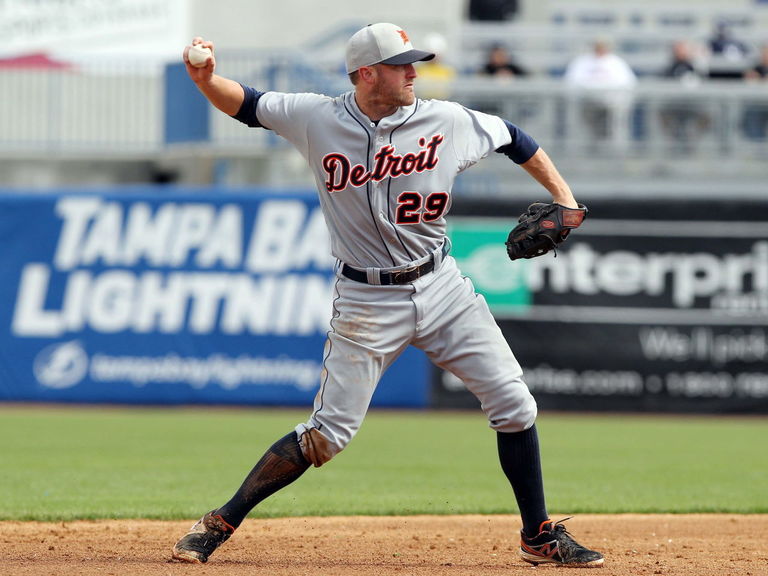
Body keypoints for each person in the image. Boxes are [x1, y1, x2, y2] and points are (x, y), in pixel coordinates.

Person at [171, 22, 604, 568]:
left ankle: (538, 535)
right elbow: (248, 103)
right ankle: (219, 522)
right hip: (366, 298)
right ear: (366, 73)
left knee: (515, 404)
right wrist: (206, 79)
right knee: (327, 436)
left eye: (414, 62)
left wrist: (564, 199)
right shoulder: (317, 118)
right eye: (402, 64)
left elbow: (515, 137)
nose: (414, 72)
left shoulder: (444, 119)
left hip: (442, 285)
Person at [563, 38, 637, 148]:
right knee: (589, 124)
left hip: (611, 105)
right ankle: (589, 145)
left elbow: (628, 83)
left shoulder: (616, 62)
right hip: (587, 103)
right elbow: (572, 81)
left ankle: (611, 146)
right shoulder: (582, 62)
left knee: (612, 126)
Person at [658, 40, 710, 151]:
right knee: (662, 114)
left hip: (692, 103)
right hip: (674, 103)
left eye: (682, 50)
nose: (680, 52)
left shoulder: (694, 65)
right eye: (678, 50)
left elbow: (702, 78)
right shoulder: (670, 67)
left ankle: (693, 142)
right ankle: (671, 142)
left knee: (707, 116)